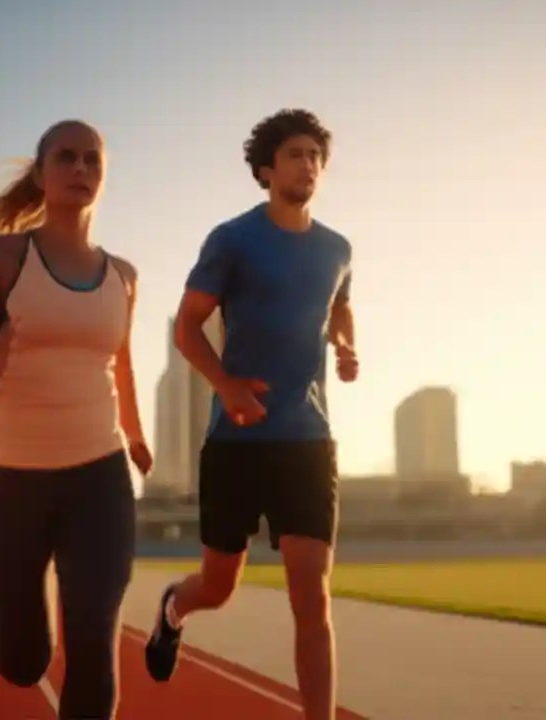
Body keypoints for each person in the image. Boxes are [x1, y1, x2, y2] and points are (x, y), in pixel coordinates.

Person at [0, 119, 152, 719]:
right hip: (9, 478)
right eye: (67, 159)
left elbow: (119, 366)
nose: (81, 170)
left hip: (99, 479)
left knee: (94, 645)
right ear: (43, 172)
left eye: (93, 161)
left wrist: (135, 436)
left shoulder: (124, 277)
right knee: (24, 662)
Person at [143, 108, 357, 720]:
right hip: (236, 440)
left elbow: (341, 304)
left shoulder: (338, 248)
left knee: (311, 596)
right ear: (267, 170)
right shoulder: (232, 239)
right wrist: (227, 385)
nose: (309, 164)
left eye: (316, 155)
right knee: (219, 586)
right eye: (295, 154)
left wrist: (345, 344)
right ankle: (174, 609)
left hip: (307, 441)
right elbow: (187, 327)